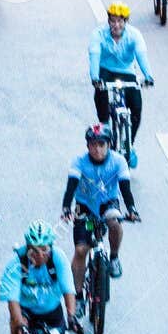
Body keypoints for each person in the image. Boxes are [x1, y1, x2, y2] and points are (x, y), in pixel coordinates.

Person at [62, 123, 138, 292]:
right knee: (81, 250)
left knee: (115, 222)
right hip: (84, 206)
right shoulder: (79, 162)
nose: (97, 149)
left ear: (109, 145)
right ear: (87, 146)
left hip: (108, 203)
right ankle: (78, 296)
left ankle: (114, 257)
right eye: (93, 144)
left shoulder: (119, 161)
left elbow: (125, 189)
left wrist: (131, 209)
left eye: (101, 144)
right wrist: (66, 208)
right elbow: (71, 187)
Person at [88, 1, 152, 166]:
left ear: (126, 21)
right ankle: (105, 124)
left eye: (120, 21)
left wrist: (148, 76)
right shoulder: (98, 34)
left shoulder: (134, 35)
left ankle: (130, 144)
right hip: (106, 70)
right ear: (108, 20)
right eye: (113, 21)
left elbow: (141, 55)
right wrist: (95, 78)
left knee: (136, 106)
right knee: (100, 93)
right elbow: (94, 55)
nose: (116, 25)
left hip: (127, 72)